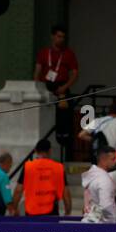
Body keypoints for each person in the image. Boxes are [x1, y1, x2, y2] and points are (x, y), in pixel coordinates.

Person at [34, 23, 80, 152]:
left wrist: (65, 87)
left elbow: (74, 74)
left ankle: (63, 145)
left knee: (63, 117)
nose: (61, 39)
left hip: (62, 87)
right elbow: (37, 71)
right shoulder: (44, 53)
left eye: (63, 37)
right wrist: (37, 86)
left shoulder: (69, 54)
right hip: (46, 86)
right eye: (59, 36)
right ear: (53, 36)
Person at [19, 138, 67, 217]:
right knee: (50, 230)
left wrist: (13, 208)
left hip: (31, 211)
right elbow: (65, 192)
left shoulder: (28, 167)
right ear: (50, 151)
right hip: (51, 212)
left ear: (35, 150)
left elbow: (18, 190)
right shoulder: (58, 167)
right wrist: (67, 209)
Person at [81, 146, 116, 223]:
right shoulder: (104, 180)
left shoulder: (93, 175)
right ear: (103, 160)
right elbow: (106, 206)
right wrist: (112, 223)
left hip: (90, 222)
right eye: (113, 159)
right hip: (102, 228)